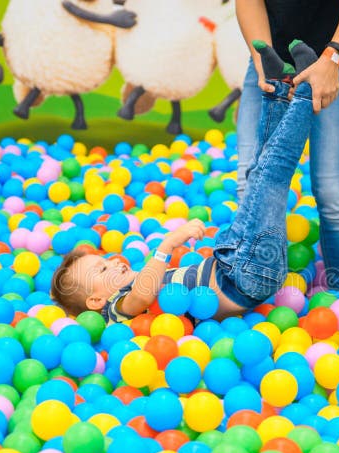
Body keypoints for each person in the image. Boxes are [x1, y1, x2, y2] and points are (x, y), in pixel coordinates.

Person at [52, 41, 320, 323]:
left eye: (106, 261)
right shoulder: (117, 308)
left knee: (258, 174)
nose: (115, 262)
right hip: (247, 274)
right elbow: (143, 296)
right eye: (104, 271)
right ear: (96, 301)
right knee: (271, 174)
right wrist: (167, 244)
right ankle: (306, 91)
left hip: (231, 258)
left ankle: (278, 91)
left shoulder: (137, 282)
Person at [235, 0, 339, 299]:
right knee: (250, 180)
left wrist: (333, 57)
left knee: (331, 190)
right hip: (274, 55)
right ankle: (251, 286)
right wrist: (261, 59)